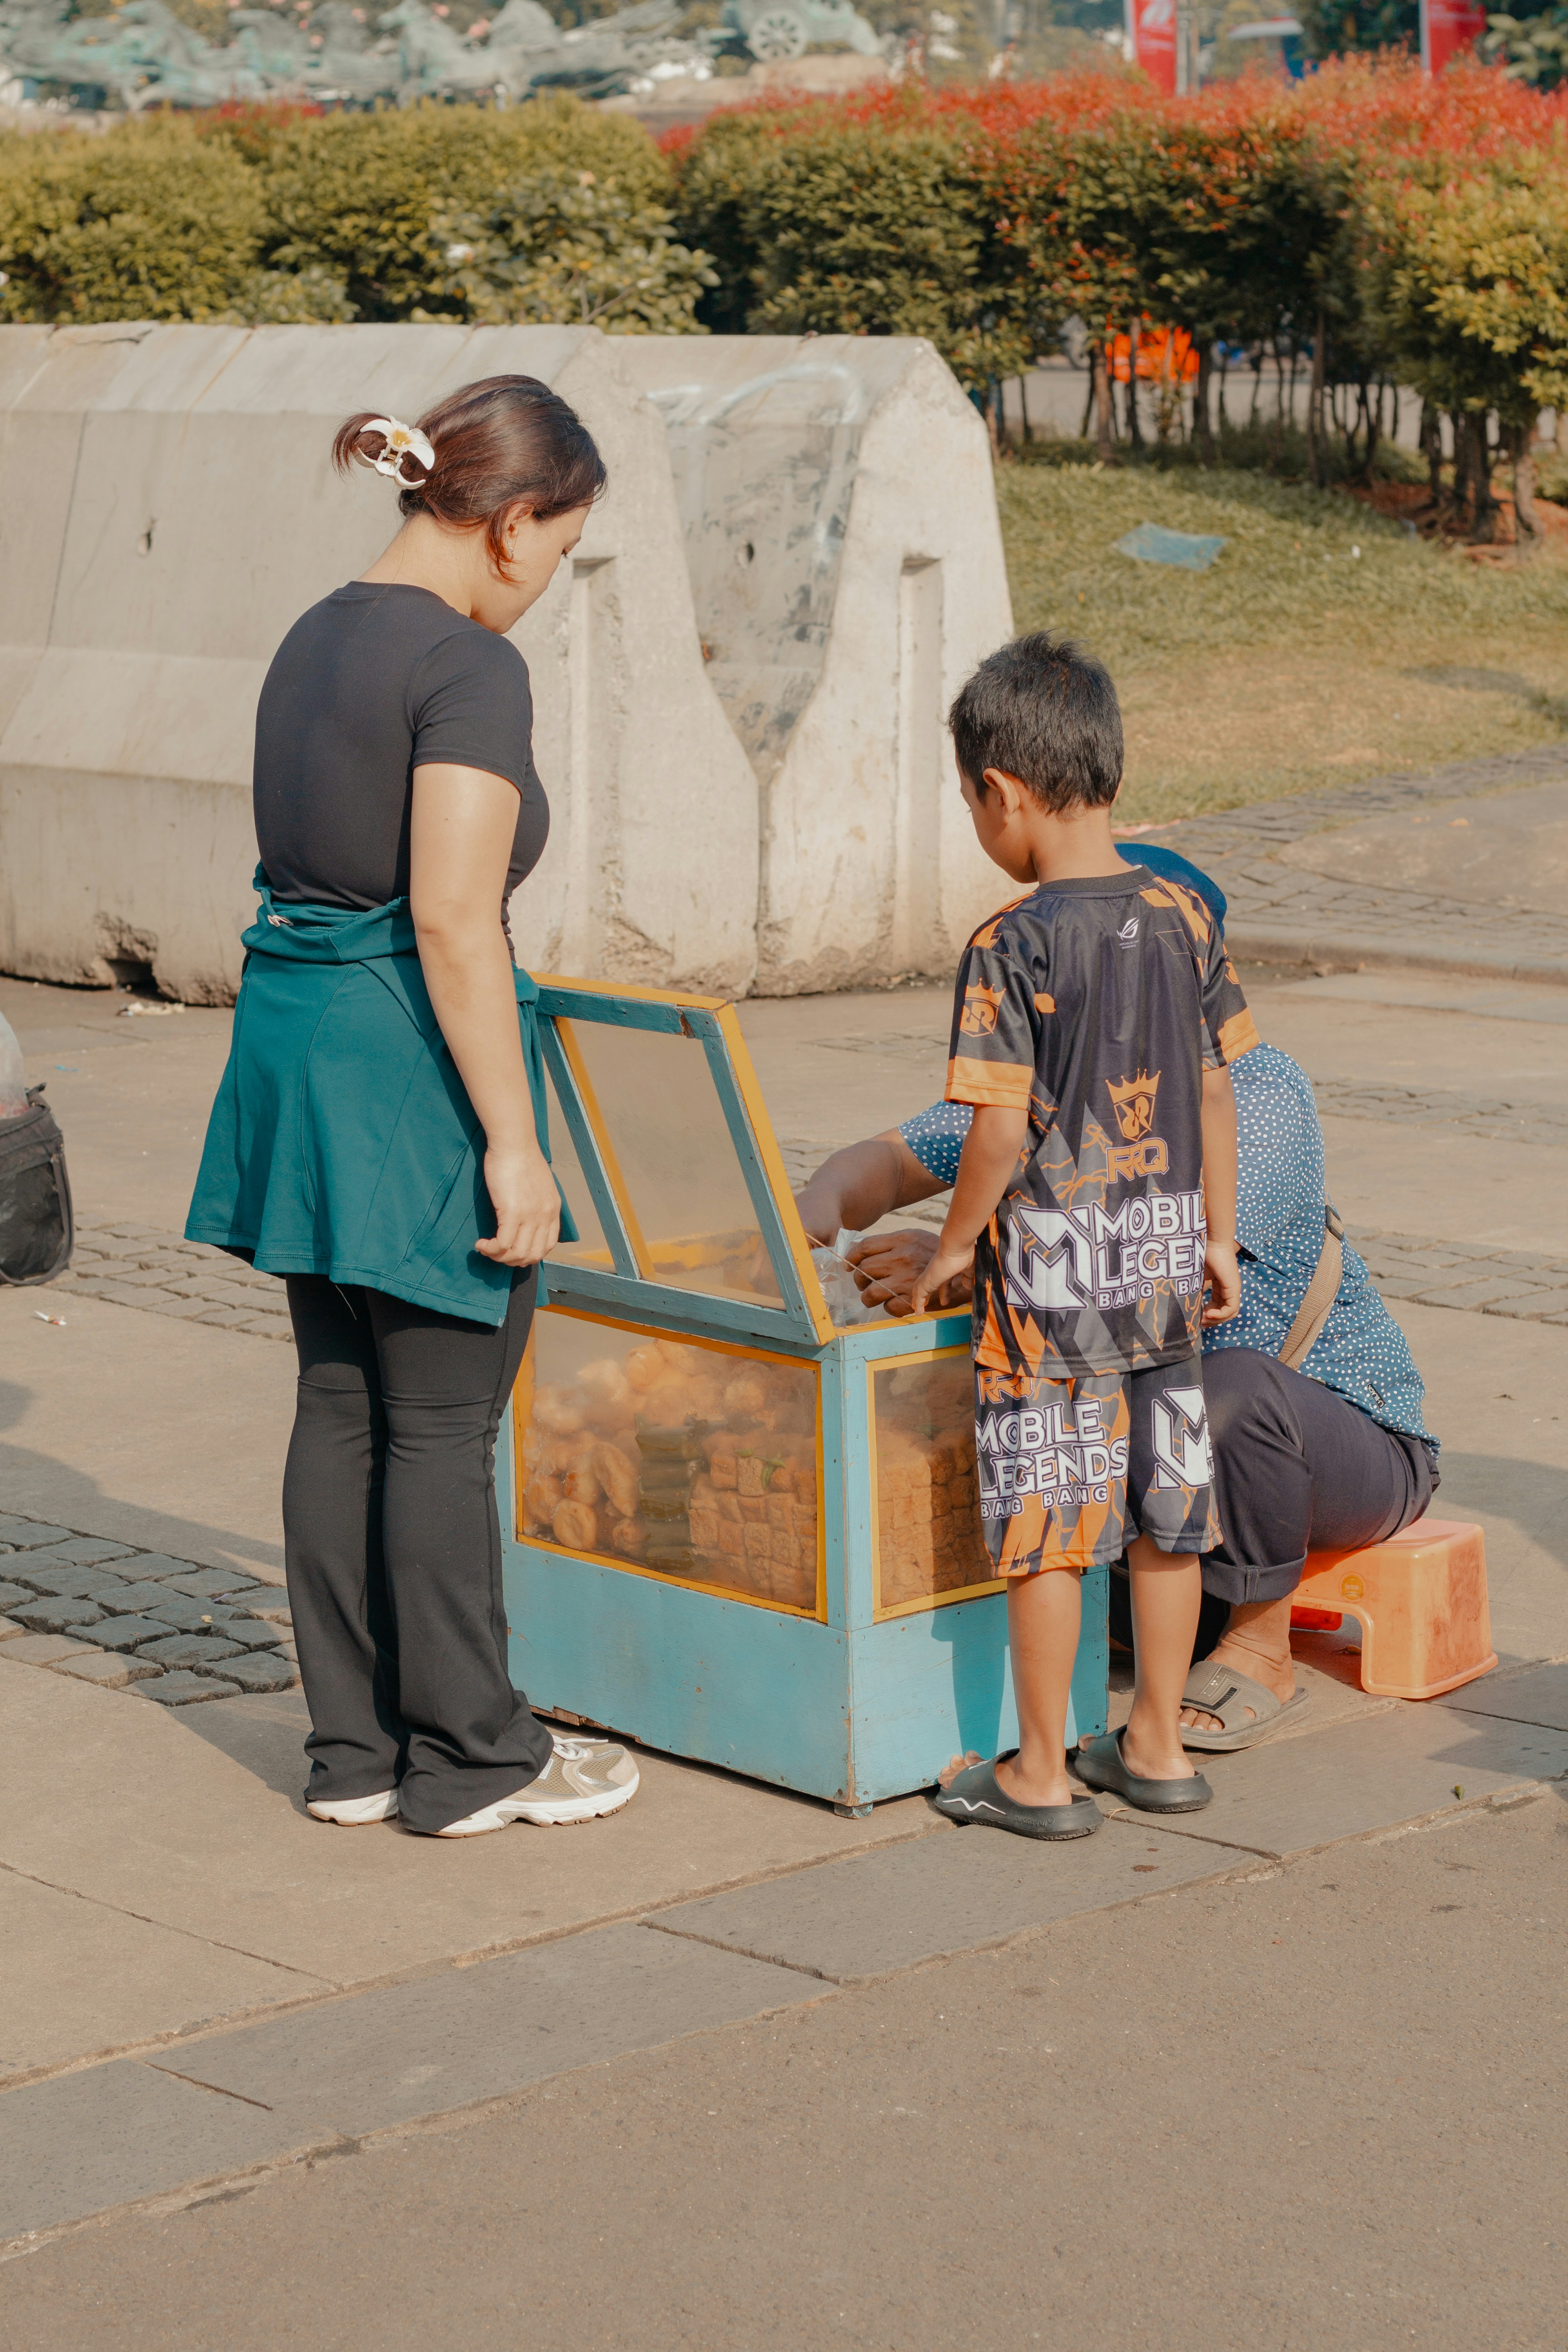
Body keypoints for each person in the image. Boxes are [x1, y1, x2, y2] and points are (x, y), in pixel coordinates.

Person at [187, 378, 640, 1839]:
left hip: (294, 1040)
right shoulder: (466, 667)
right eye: (561, 554)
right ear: (512, 525)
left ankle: (354, 1754)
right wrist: (513, 1139)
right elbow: (454, 919)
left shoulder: (318, 631)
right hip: (404, 1062)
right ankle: (474, 1760)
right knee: (443, 1424)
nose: (551, 584)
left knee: (337, 1399)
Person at [797, 858, 1439, 1754]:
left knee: (1224, 1389)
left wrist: (964, 1267)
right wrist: (813, 1220)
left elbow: (1166, 1282)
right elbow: (893, 1158)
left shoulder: (1261, 1091)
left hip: (1339, 1441)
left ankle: (1261, 1649)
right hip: (1162, 1451)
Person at [902, 632, 1257, 1842]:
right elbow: (1214, 1091)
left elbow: (996, 1135)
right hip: (1166, 1269)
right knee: (1170, 1512)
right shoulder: (1183, 915)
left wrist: (956, 1245)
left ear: (1004, 793)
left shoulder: (1009, 943)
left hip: (1049, 1294)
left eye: (971, 805)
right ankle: (1154, 1743)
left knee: (1050, 1521)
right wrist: (1220, 1238)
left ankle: (1042, 1773)